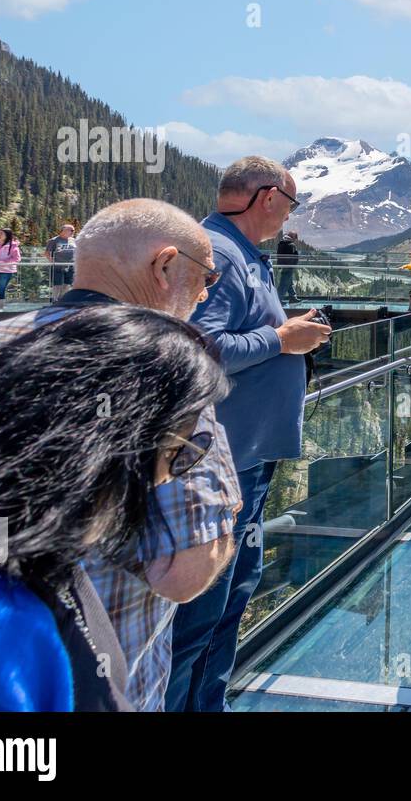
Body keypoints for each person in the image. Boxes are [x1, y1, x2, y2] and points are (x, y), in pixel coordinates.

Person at [0, 198, 242, 711]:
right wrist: (228, 514)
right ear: (165, 264)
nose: (203, 293)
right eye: (206, 277)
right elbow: (181, 570)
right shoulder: (162, 379)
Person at [167, 155, 331, 712]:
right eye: (290, 204)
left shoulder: (236, 253)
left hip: (244, 459)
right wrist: (283, 341)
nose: (289, 216)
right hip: (226, 464)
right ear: (267, 198)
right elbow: (200, 347)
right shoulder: (223, 257)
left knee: (232, 594)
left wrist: (285, 333)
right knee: (207, 611)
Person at [45, 224, 77, 301]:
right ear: (63, 230)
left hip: (70, 266)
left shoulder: (73, 240)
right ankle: (54, 299)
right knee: (57, 284)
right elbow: (47, 253)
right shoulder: (54, 240)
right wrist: (52, 262)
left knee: (67, 284)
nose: (73, 232)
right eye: (71, 230)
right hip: (58, 266)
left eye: (74, 230)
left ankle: (63, 299)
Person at [276, 230, 299, 303]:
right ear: (292, 237)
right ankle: (278, 300)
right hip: (289, 266)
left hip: (283, 265)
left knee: (289, 282)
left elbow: (279, 255)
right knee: (284, 283)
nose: (295, 240)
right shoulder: (291, 245)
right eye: (295, 238)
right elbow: (293, 256)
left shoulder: (281, 243)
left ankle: (293, 297)